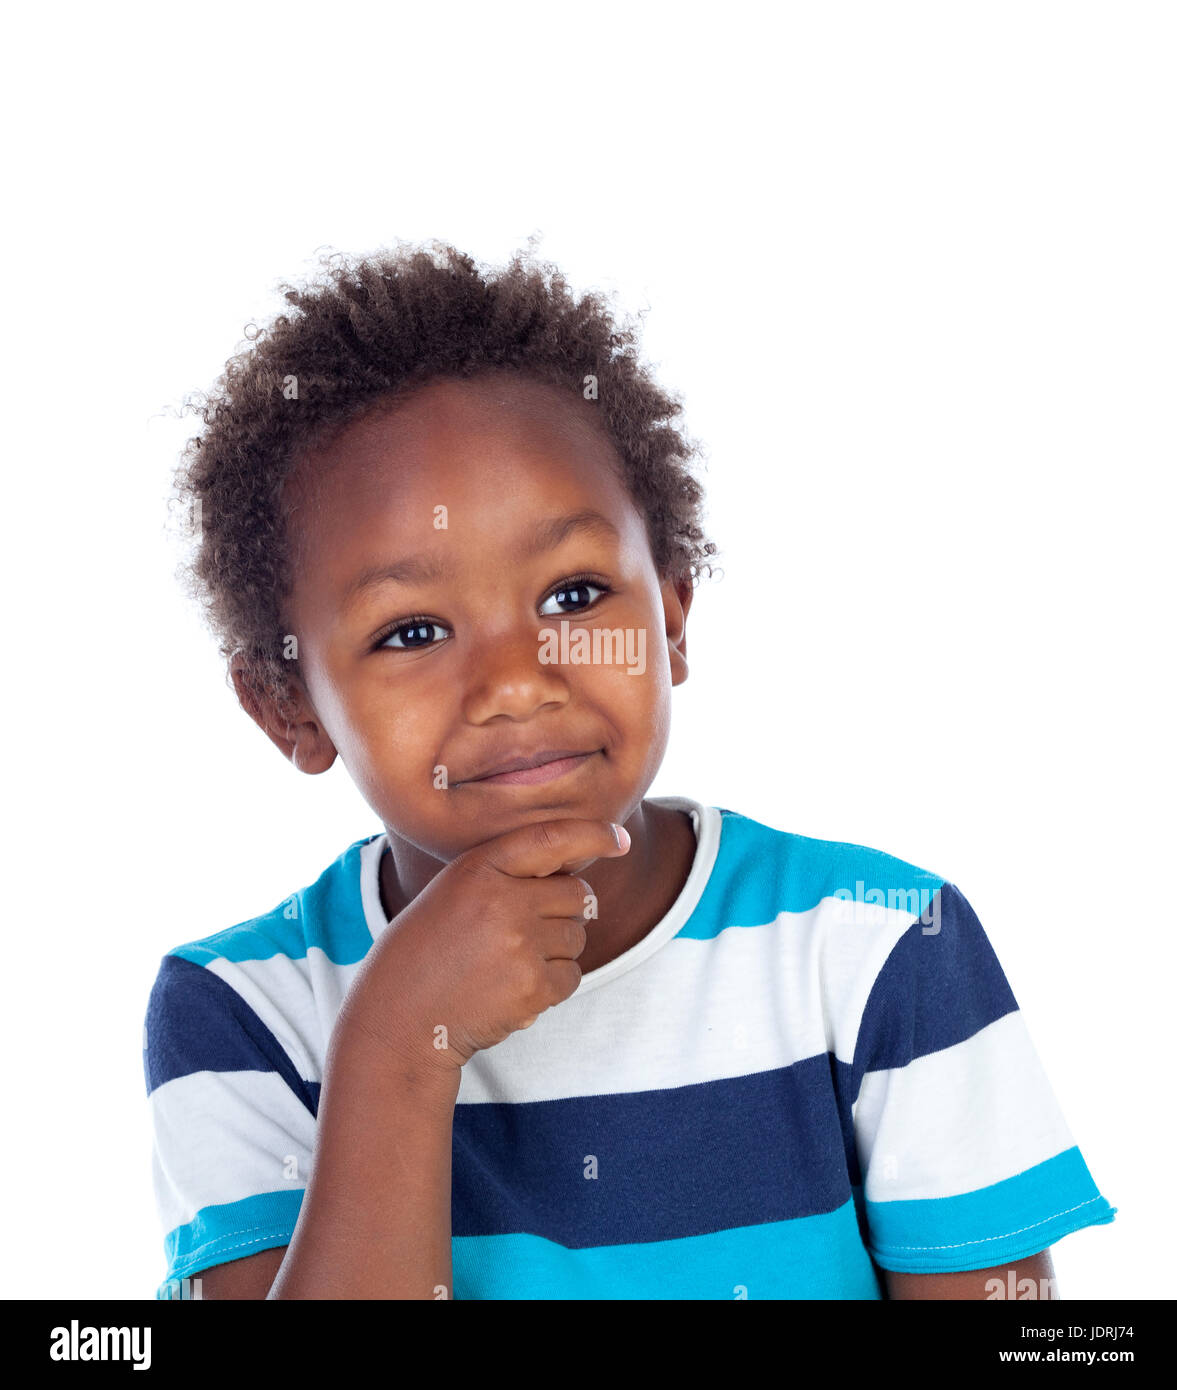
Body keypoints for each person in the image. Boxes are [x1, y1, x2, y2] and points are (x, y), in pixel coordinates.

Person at [144, 241, 1115, 1300]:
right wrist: (393, 1050)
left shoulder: (879, 947)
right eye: (413, 629)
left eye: (571, 596)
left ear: (672, 615)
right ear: (286, 704)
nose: (516, 682)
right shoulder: (243, 1010)